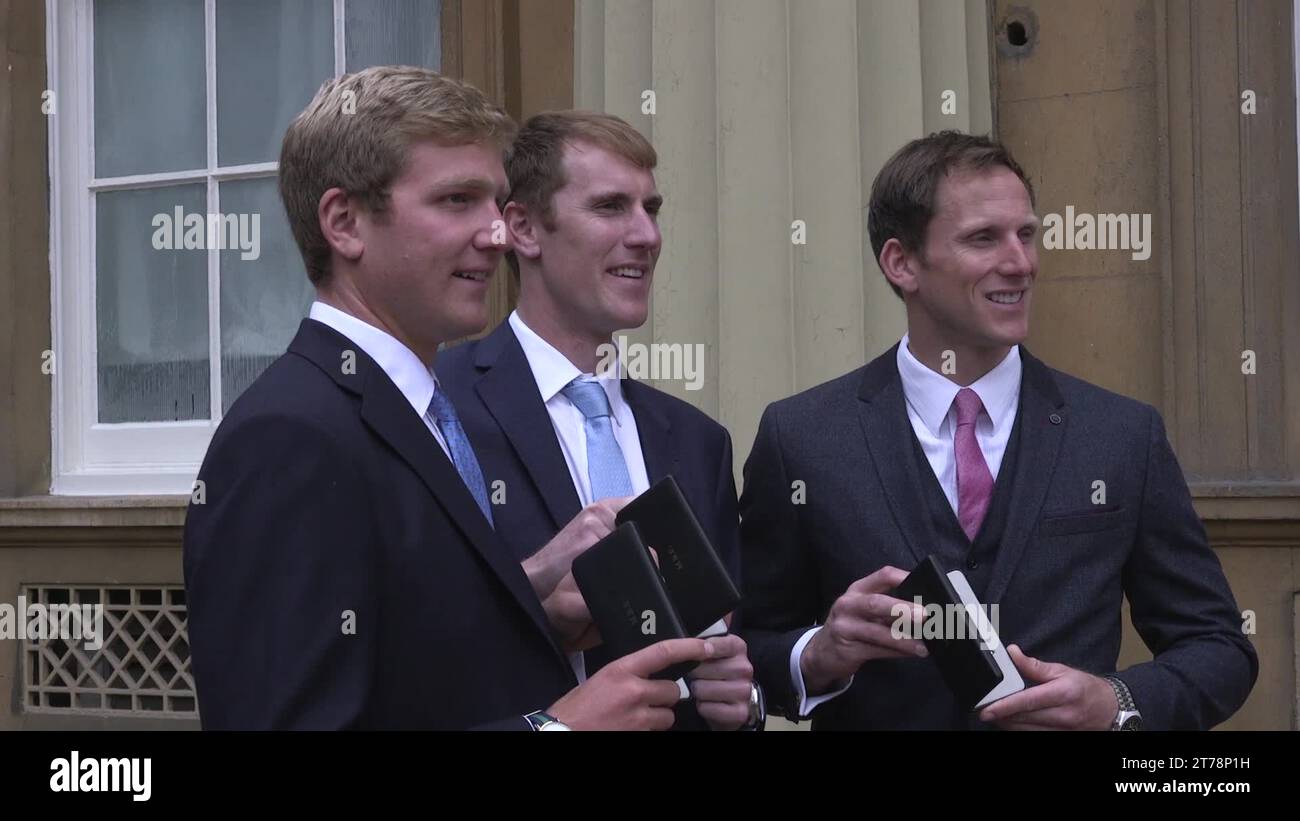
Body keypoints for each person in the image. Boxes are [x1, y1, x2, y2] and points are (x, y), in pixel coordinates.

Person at [183, 68, 717, 731]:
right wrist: (557, 729)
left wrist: (531, 607)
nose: (497, 235)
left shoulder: (422, 412)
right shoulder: (288, 438)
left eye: (495, 203)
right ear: (345, 223)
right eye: (457, 200)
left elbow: (410, 664)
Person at [735, 130, 1258, 730]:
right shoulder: (801, 437)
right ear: (901, 262)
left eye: (1026, 234)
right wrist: (819, 653)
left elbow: (1220, 648)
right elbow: (747, 650)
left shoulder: (1122, 435)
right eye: (985, 238)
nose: (1021, 262)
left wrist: (1115, 704)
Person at [437, 111, 757, 731]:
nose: (646, 235)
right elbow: (414, 642)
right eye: (611, 207)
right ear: (524, 229)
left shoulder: (698, 441)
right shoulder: (438, 410)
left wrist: (743, 704)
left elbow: (732, 653)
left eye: (652, 208)